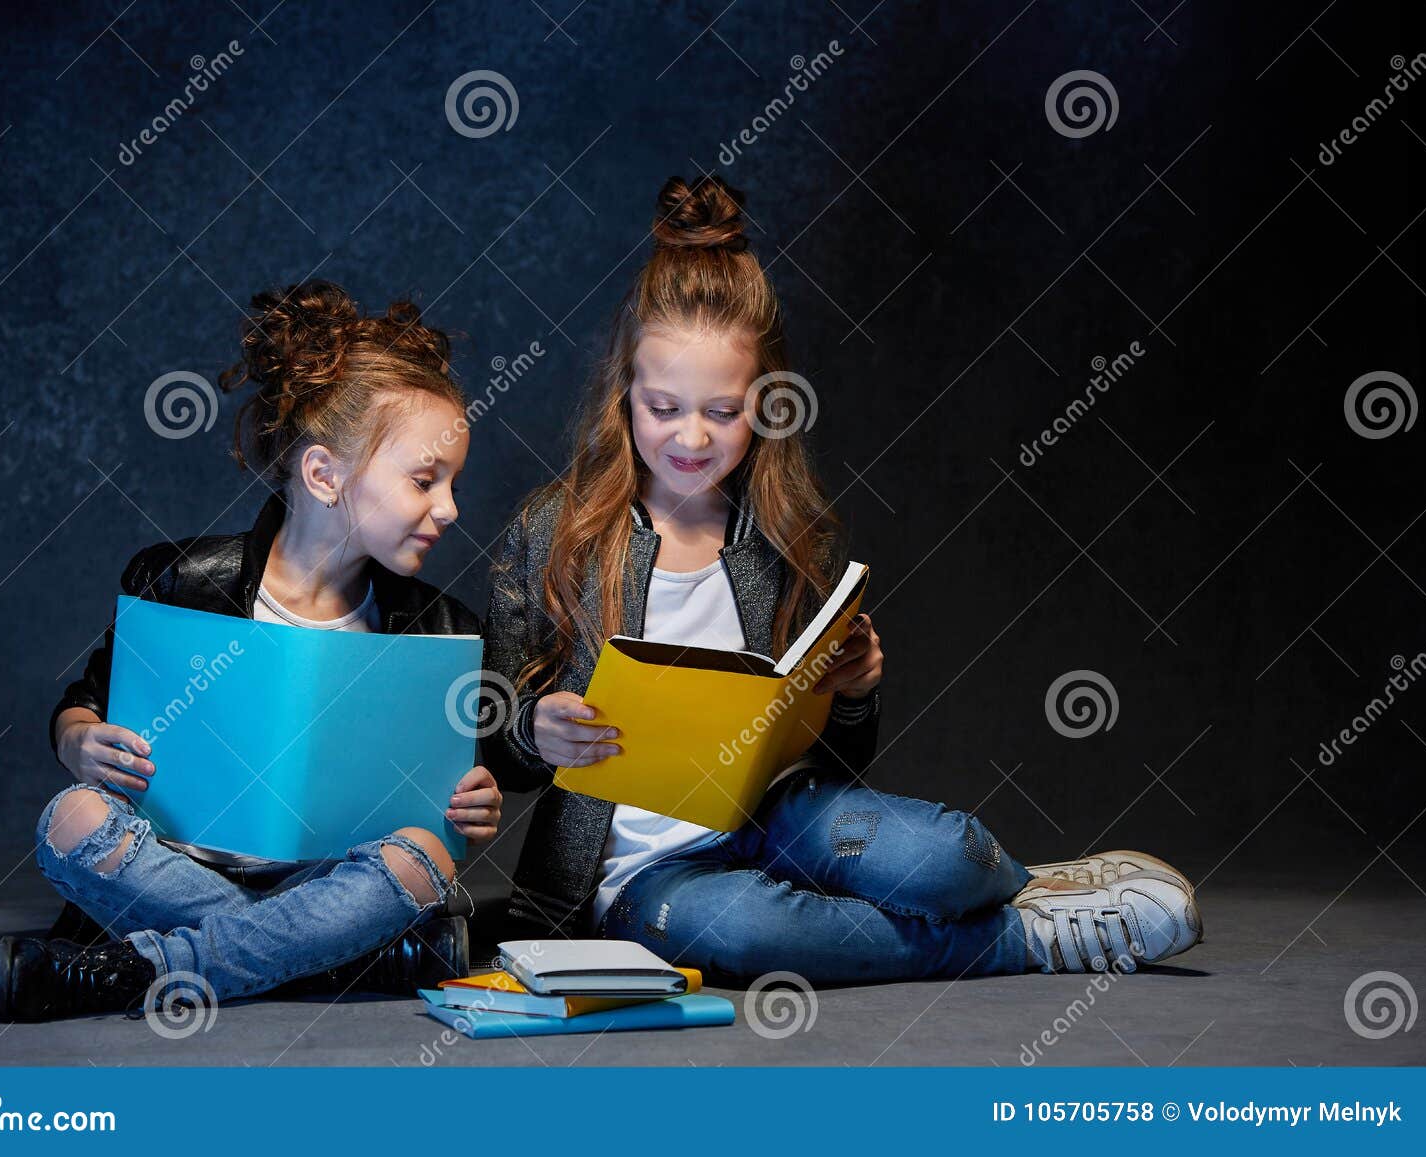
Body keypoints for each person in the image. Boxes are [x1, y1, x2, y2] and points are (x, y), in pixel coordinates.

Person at [480, 176, 1201, 984]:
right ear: (624, 394)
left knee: (947, 855)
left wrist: (854, 689)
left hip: (779, 818)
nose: (690, 436)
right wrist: (535, 730)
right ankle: (1022, 938)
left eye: (722, 412)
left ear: (765, 401)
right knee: (748, 934)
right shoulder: (553, 532)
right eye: (662, 407)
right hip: (639, 878)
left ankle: (1022, 888)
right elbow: (491, 744)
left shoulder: (791, 535)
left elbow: (838, 759)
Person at [0, 281, 502, 1022]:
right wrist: (81, 742)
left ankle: (145, 968)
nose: (451, 507)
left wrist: (473, 806)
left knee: (421, 852)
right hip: (185, 866)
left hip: (338, 879)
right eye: (426, 480)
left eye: (453, 482)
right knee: (70, 818)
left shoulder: (439, 626)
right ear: (325, 474)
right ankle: (327, 957)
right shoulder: (179, 580)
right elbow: (87, 702)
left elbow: (450, 801)